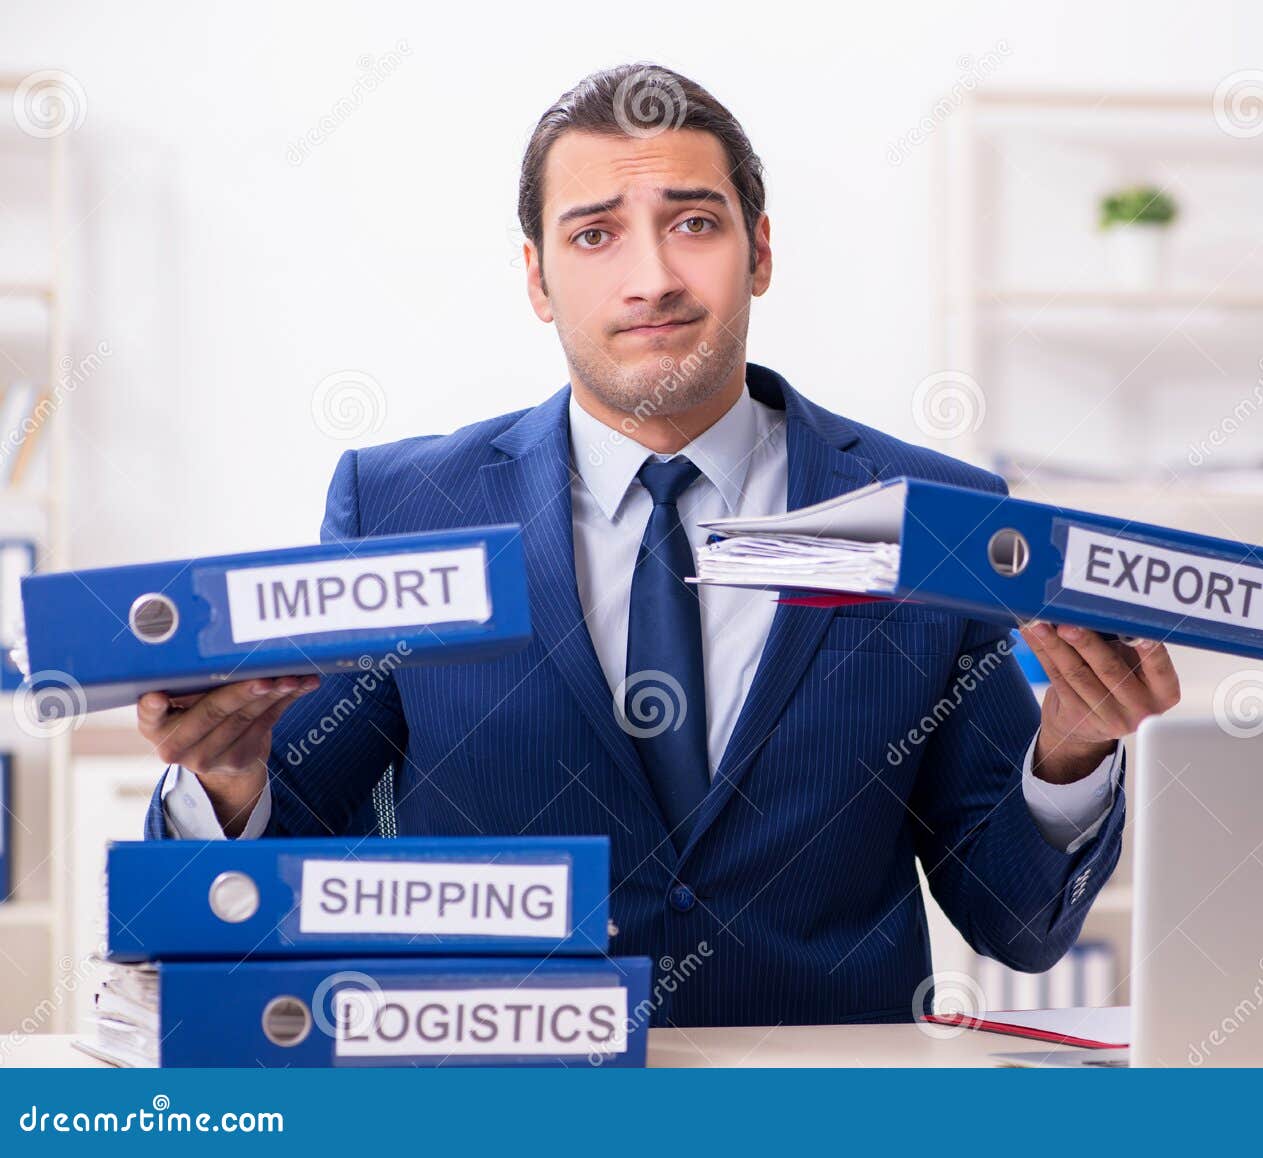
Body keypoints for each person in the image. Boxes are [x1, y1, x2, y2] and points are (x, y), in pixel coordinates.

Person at [139, 63, 1181, 1028]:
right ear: (538, 280)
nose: (651, 277)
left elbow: (1017, 923)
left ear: (759, 252)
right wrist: (229, 785)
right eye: (594, 234)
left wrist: (1073, 748)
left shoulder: (930, 513)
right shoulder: (405, 509)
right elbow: (273, 881)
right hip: (504, 1106)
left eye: (692, 222)